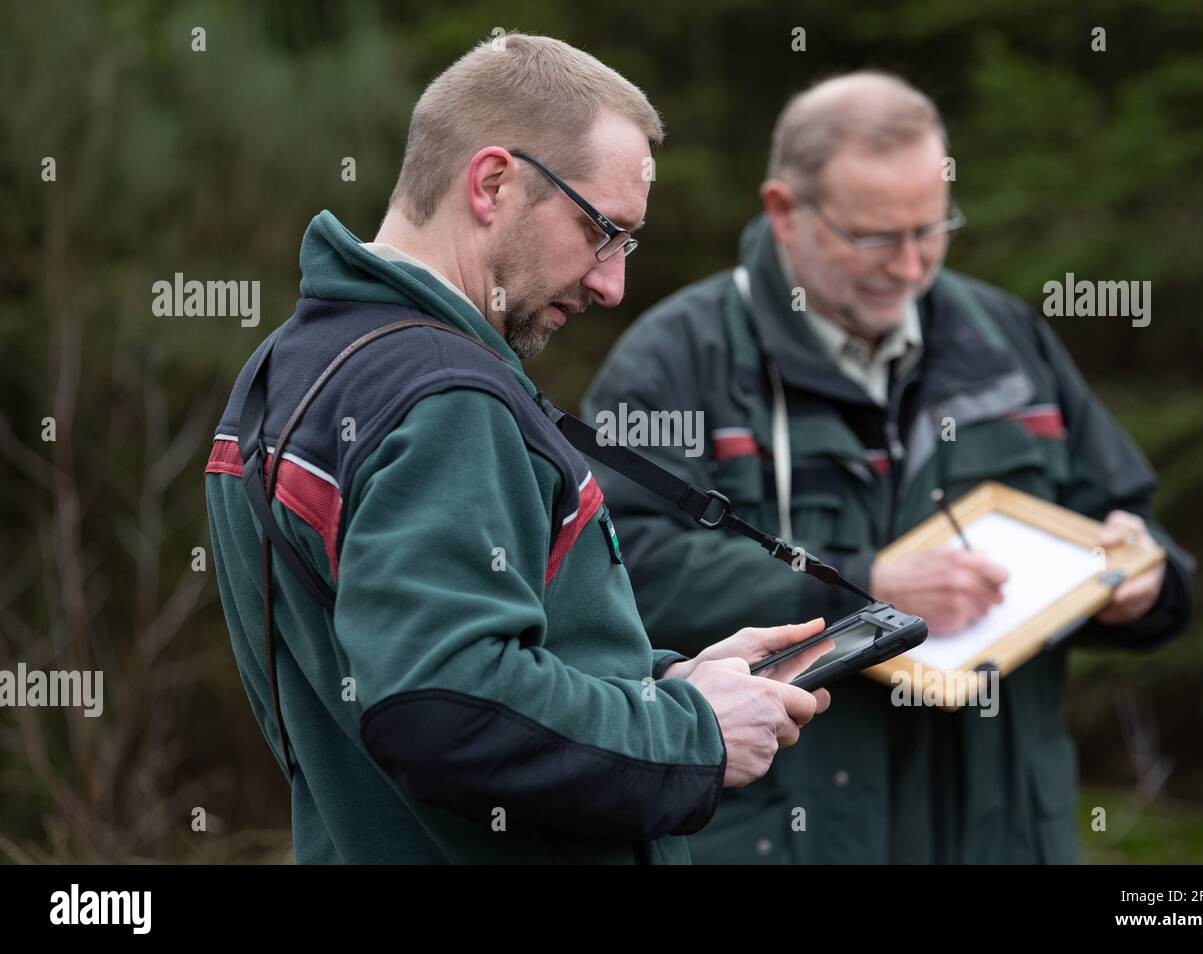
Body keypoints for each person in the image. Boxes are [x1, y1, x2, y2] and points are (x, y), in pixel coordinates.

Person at [204, 33, 830, 865]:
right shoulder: (444, 400)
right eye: (600, 230)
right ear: (493, 182)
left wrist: (663, 686)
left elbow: (439, 673)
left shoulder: (289, 366)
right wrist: (693, 731)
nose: (611, 283)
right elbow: (445, 706)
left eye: (626, 245)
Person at [583, 71, 1195, 864]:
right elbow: (616, 578)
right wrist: (859, 585)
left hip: (1007, 835)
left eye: (932, 230)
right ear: (785, 211)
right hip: (791, 838)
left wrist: (1144, 580)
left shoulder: (1005, 341)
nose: (910, 266)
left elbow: (1133, 523)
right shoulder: (676, 363)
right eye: (876, 237)